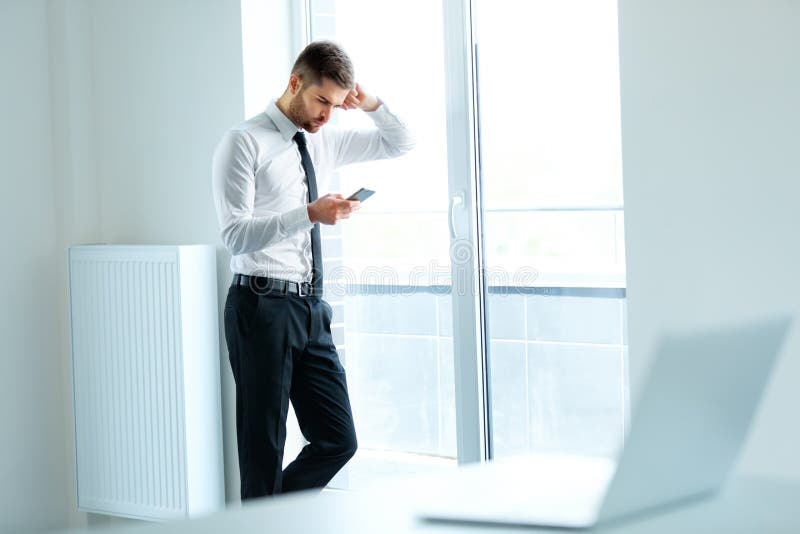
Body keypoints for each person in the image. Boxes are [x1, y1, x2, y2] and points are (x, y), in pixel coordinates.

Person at [211, 40, 414, 499]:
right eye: (322, 100)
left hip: (309, 308)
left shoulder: (325, 141)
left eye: (337, 105)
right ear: (294, 82)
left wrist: (369, 104)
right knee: (263, 448)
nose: (327, 116)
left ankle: (269, 516)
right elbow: (235, 236)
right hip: (259, 306)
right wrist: (309, 214)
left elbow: (400, 142)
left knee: (338, 440)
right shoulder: (243, 142)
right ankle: (267, 518)